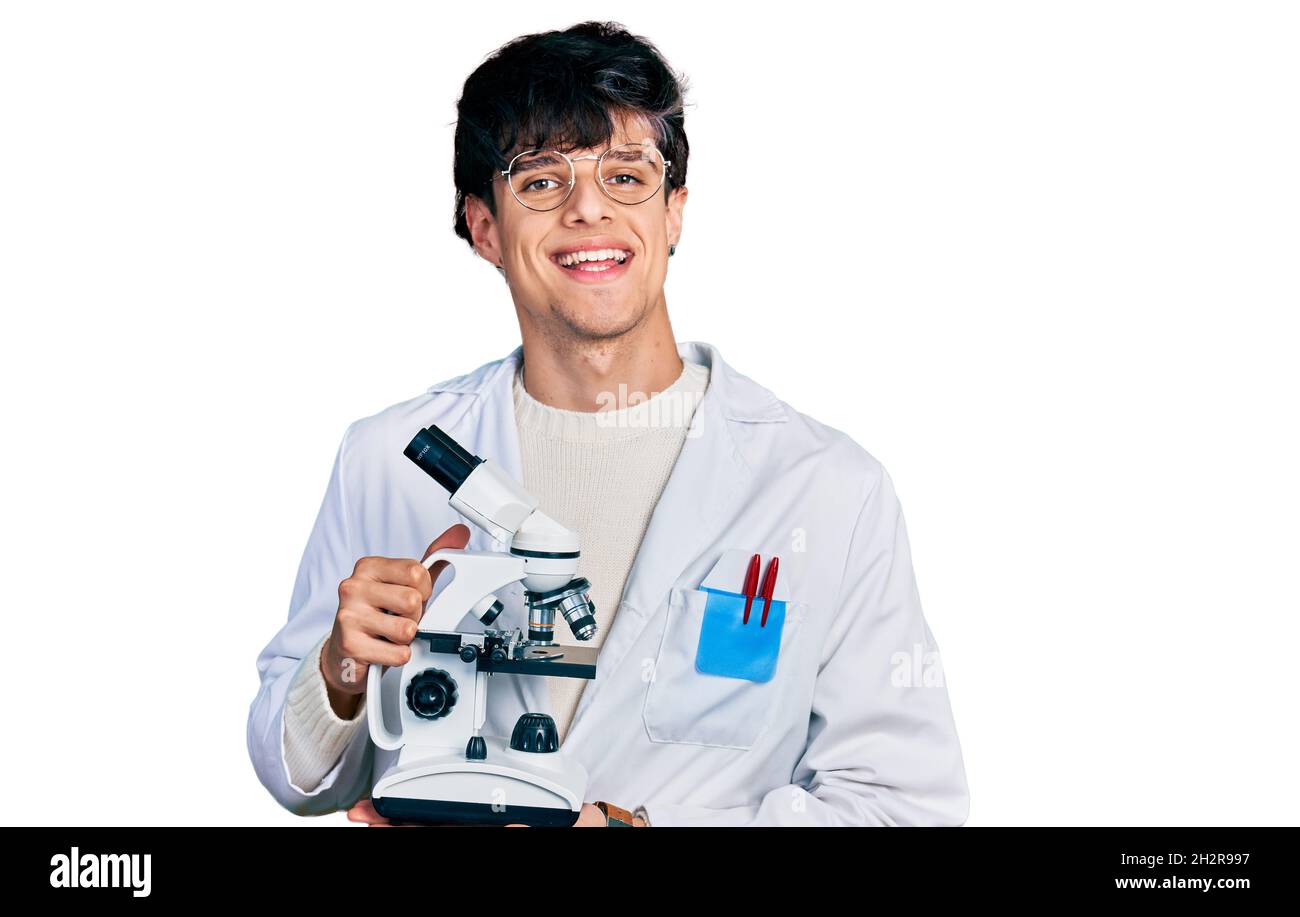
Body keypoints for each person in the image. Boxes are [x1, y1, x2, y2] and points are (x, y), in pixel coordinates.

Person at [246, 20, 970, 827]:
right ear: (483, 225)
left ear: (674, 213)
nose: (589, 209)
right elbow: (294, 772)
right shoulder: (387, 458)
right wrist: (343, 668)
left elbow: (903, 808)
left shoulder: (825, 489)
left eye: (627, 175)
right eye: (541, 180)